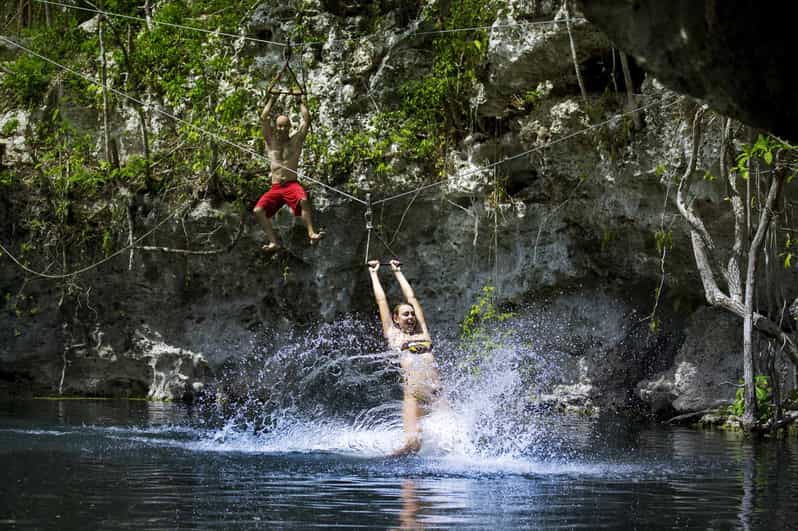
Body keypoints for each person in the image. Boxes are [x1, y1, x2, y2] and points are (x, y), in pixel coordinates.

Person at [368, 259, 443, 456]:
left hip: (436, 393)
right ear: (396, 318)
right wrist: (374, 274)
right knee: (412, 445)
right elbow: (382, 301)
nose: (410, 317)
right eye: (405, 314)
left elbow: (412, 297)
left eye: (411, 314)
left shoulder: (423, 333)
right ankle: (387, 463)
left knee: (453, 439)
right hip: (414, 396)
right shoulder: (394, 335)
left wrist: (398, 271)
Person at [253, 92, 324, 252]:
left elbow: (306, 120)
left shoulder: (295, 141)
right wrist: (272, 99)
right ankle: (274, 242)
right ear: (276, 127)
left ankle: (311, 233)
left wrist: (300, 101)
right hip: (276, 187)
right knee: (258, 210)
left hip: (291, 184)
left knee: (303, 200)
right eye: (280, 126)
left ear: (290, 127)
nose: (283, 129)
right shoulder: (270, 142)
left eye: (286, 126)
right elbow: (263, 118)